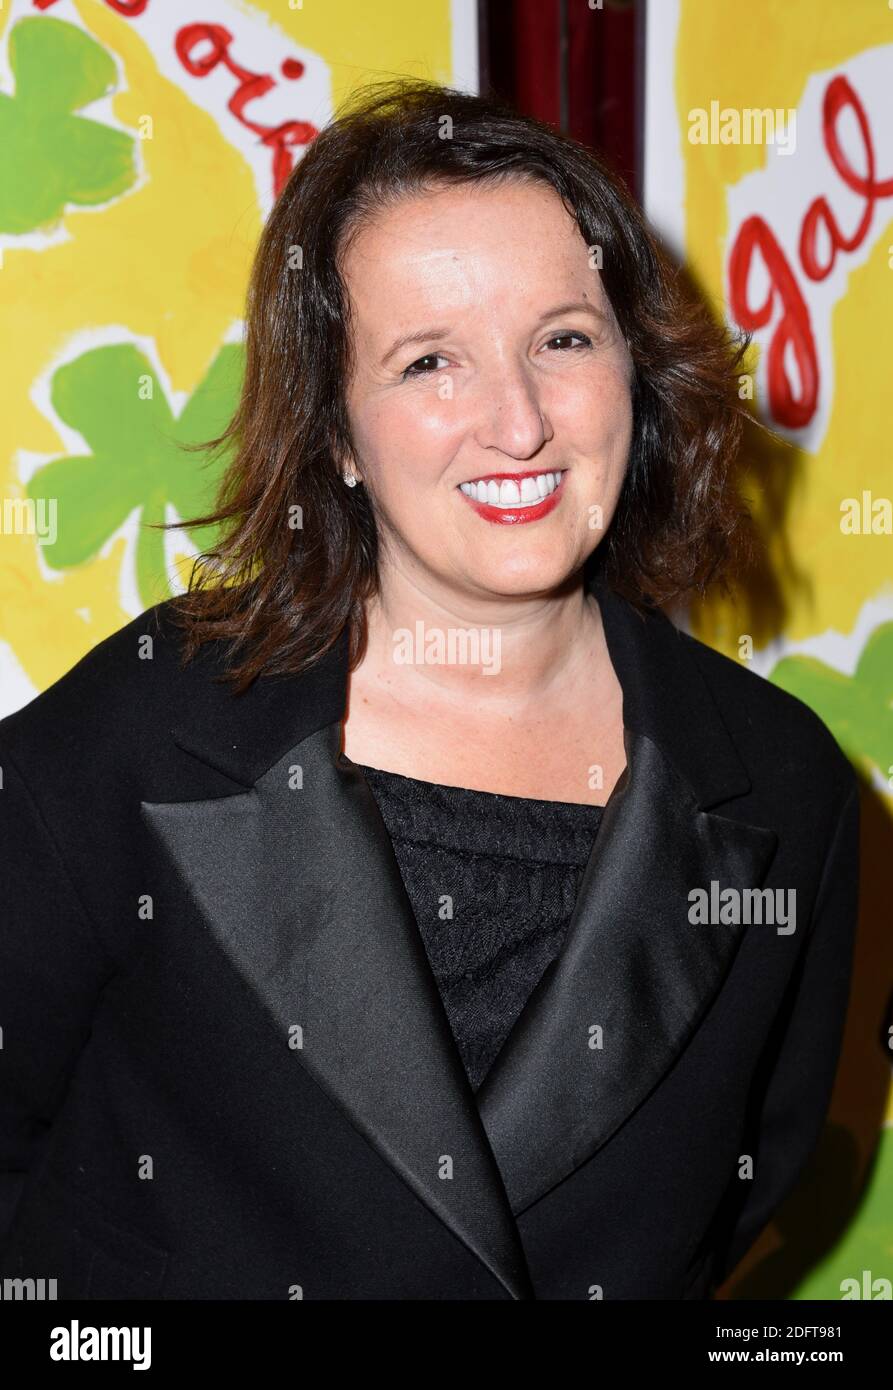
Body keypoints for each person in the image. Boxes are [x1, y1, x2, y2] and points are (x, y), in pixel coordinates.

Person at [0, 80, 859, 1300]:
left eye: (562, 338)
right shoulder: (137, 733)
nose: (516, 423)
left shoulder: (786, 789)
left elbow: (739, 1197)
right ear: (336, 435)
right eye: (427, 362)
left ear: (634, 370)